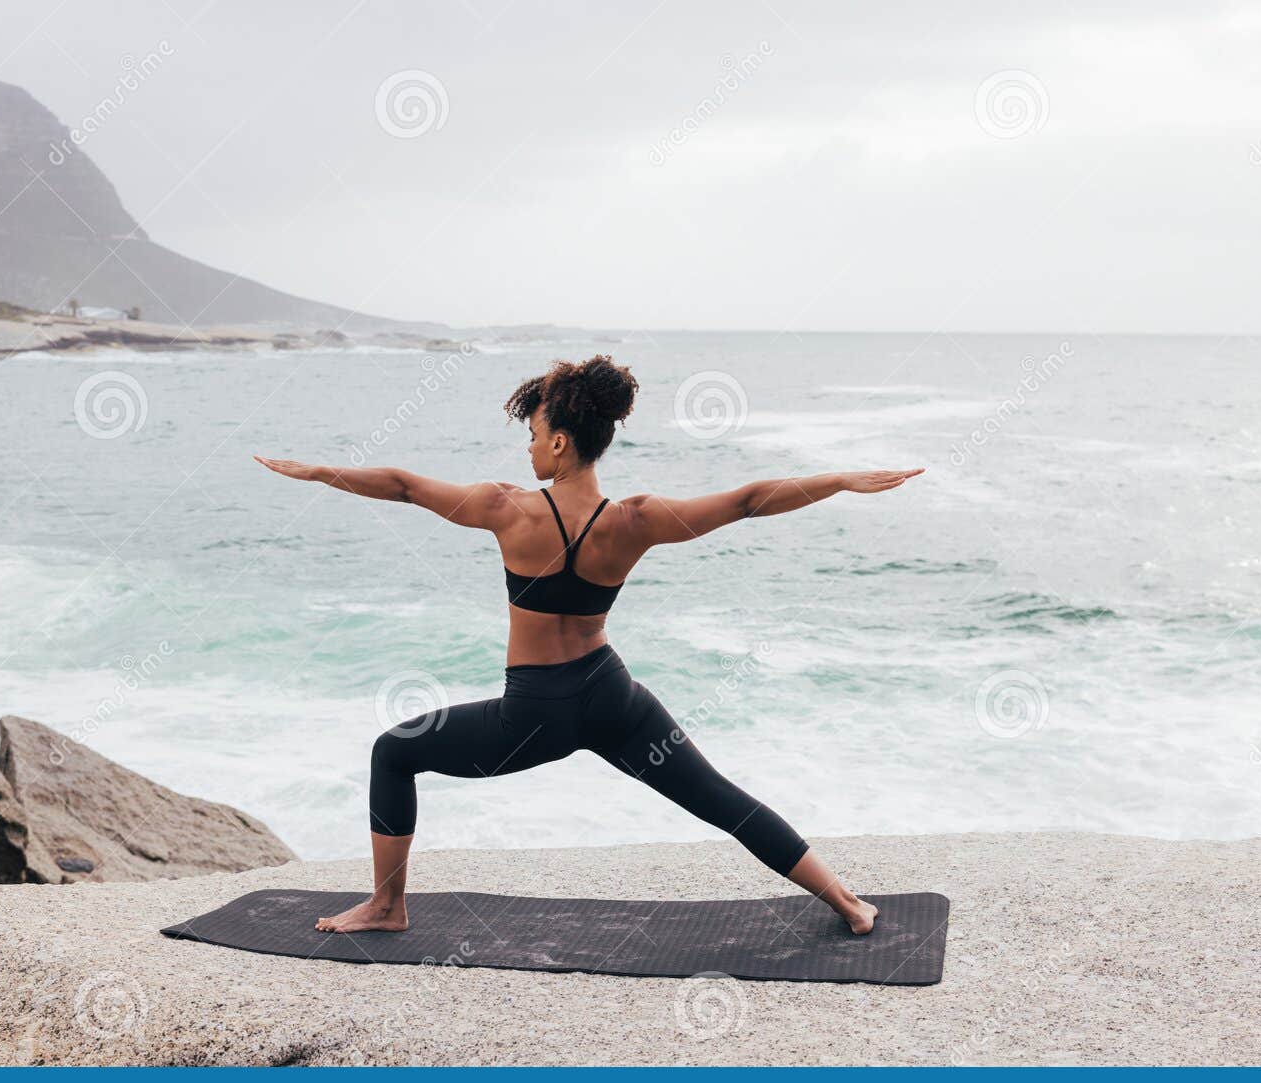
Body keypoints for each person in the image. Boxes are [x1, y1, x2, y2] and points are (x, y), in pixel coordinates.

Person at [254, 355, 922, 936]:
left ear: (563, 442)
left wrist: (317, 472)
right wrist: (837, 479)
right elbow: (748, 500)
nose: (529, 448)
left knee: (393, 752)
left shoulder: (506, 509)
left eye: (535, 434)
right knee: (718, 796)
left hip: (533, 716)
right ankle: (849, 900)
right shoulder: (635, 520)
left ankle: (386, 905)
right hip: (612, 696)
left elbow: (401, 485)